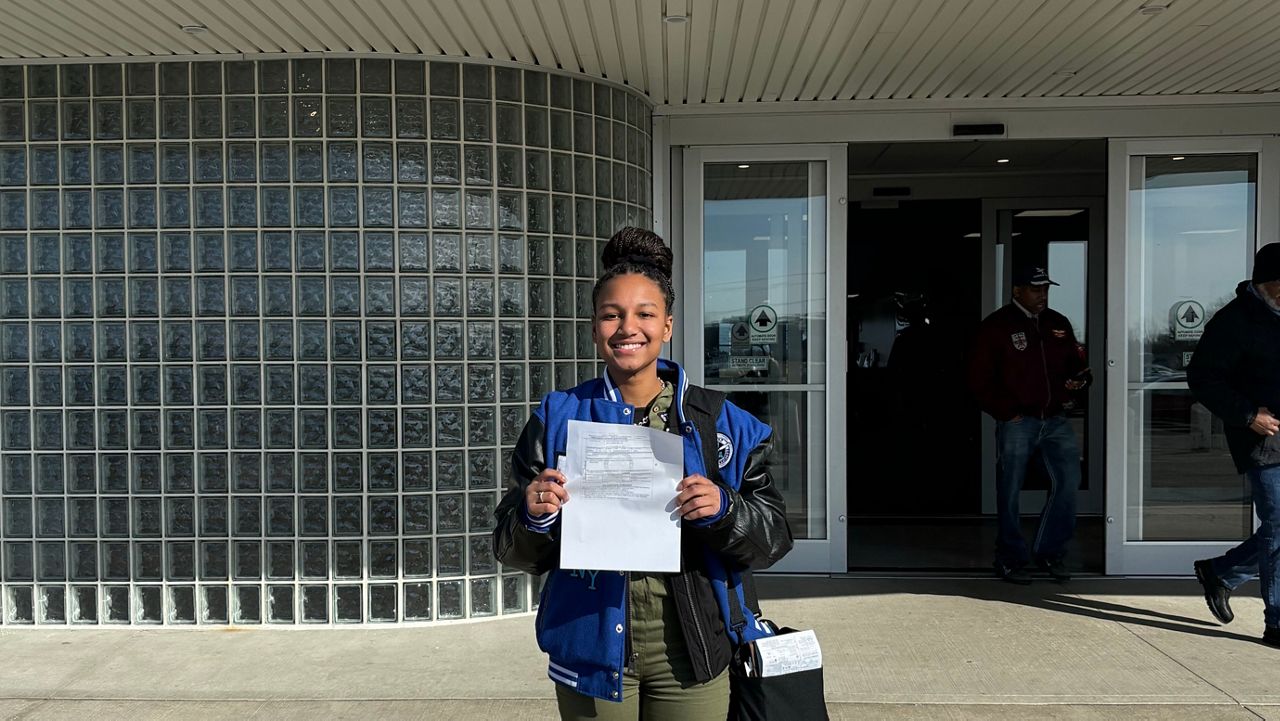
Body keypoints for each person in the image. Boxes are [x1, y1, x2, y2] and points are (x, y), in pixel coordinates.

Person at [493, 227, 794, 719]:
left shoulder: (722, 423)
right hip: (591, 646)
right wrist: (535, 515)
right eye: (611, 315)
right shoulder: (558, 419)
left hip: (694, 651)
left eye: (644, 314)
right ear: (594, 328)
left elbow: (774, 536)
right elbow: (509, 547)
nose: (627, 327)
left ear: (668, 325)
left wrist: (724, 510)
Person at [968, 265, 1089, 584]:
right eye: (1036, 289)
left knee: (1068, 482)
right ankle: (1010, 558)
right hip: (1018, 421)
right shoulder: (996, 326)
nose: (1043, 295)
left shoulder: (1058, 323)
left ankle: (1051, 552)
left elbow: (1076, 366)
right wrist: (1006, 412)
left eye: (1046, 289)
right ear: (1017, 291)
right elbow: (979, 379)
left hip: (1056, 420)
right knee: (1010, 489)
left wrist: (1075, 387)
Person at [1189, 243, 1280, 648]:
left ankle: (1223, 573)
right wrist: (1248, 416)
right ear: (1271, 282)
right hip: (1262, 441)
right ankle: (1277, 621)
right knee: (1278, 529)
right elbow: (1204, 378)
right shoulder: (1234, 321)